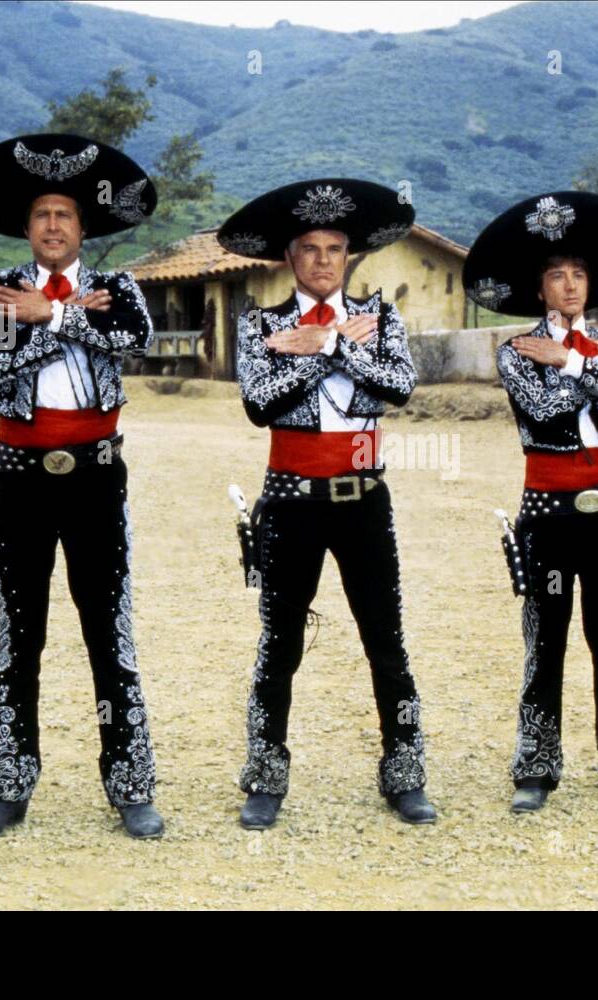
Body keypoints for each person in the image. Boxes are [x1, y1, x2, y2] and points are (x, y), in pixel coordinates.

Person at [0, 133, 164, 839]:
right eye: (40, 214)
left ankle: (131, 786)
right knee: (20, 636)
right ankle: (8, 787)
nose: (51, 225)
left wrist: (59, 314)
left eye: (64, 215)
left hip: (98, 479)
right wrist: (49, 323)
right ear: (25, 226)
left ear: (82, 227)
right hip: (18, 482)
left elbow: (137, 340)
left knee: (112, 632)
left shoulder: (118, 289)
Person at [217, 178, 436, 829]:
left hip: (364, 499)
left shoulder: (382, 318)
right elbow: (261, 404)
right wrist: (329, 348)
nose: (321, 259)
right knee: (279, 642)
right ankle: (264, 777)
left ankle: (404, 772)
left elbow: (398, 386)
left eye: (333, 248)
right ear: (290, 256)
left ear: (349, 256)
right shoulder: (260, 323)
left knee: (385, 640)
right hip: (290, 499)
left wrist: (331, 343)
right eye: (308, 248)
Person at [463, 190, 598, 812]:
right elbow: (547, 415)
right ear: (540, 287)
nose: (571, 286)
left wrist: (572, 362)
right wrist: (586, 371)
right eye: (558, 275)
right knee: (545, 637)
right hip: (549, 510)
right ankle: (536, 766)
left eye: (579, 274)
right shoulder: (516, 350)